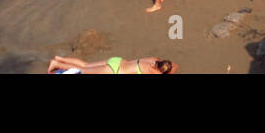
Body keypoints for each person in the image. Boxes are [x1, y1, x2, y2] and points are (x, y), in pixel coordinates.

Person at [47, 55, 175, 74]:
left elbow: (174, 65)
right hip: (113, 70)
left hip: (117, 61)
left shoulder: (154, 59)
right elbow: (175, 67)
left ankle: (60, 59)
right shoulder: (153, 71)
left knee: (86, 65)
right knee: (82, 70)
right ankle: (56, 64)